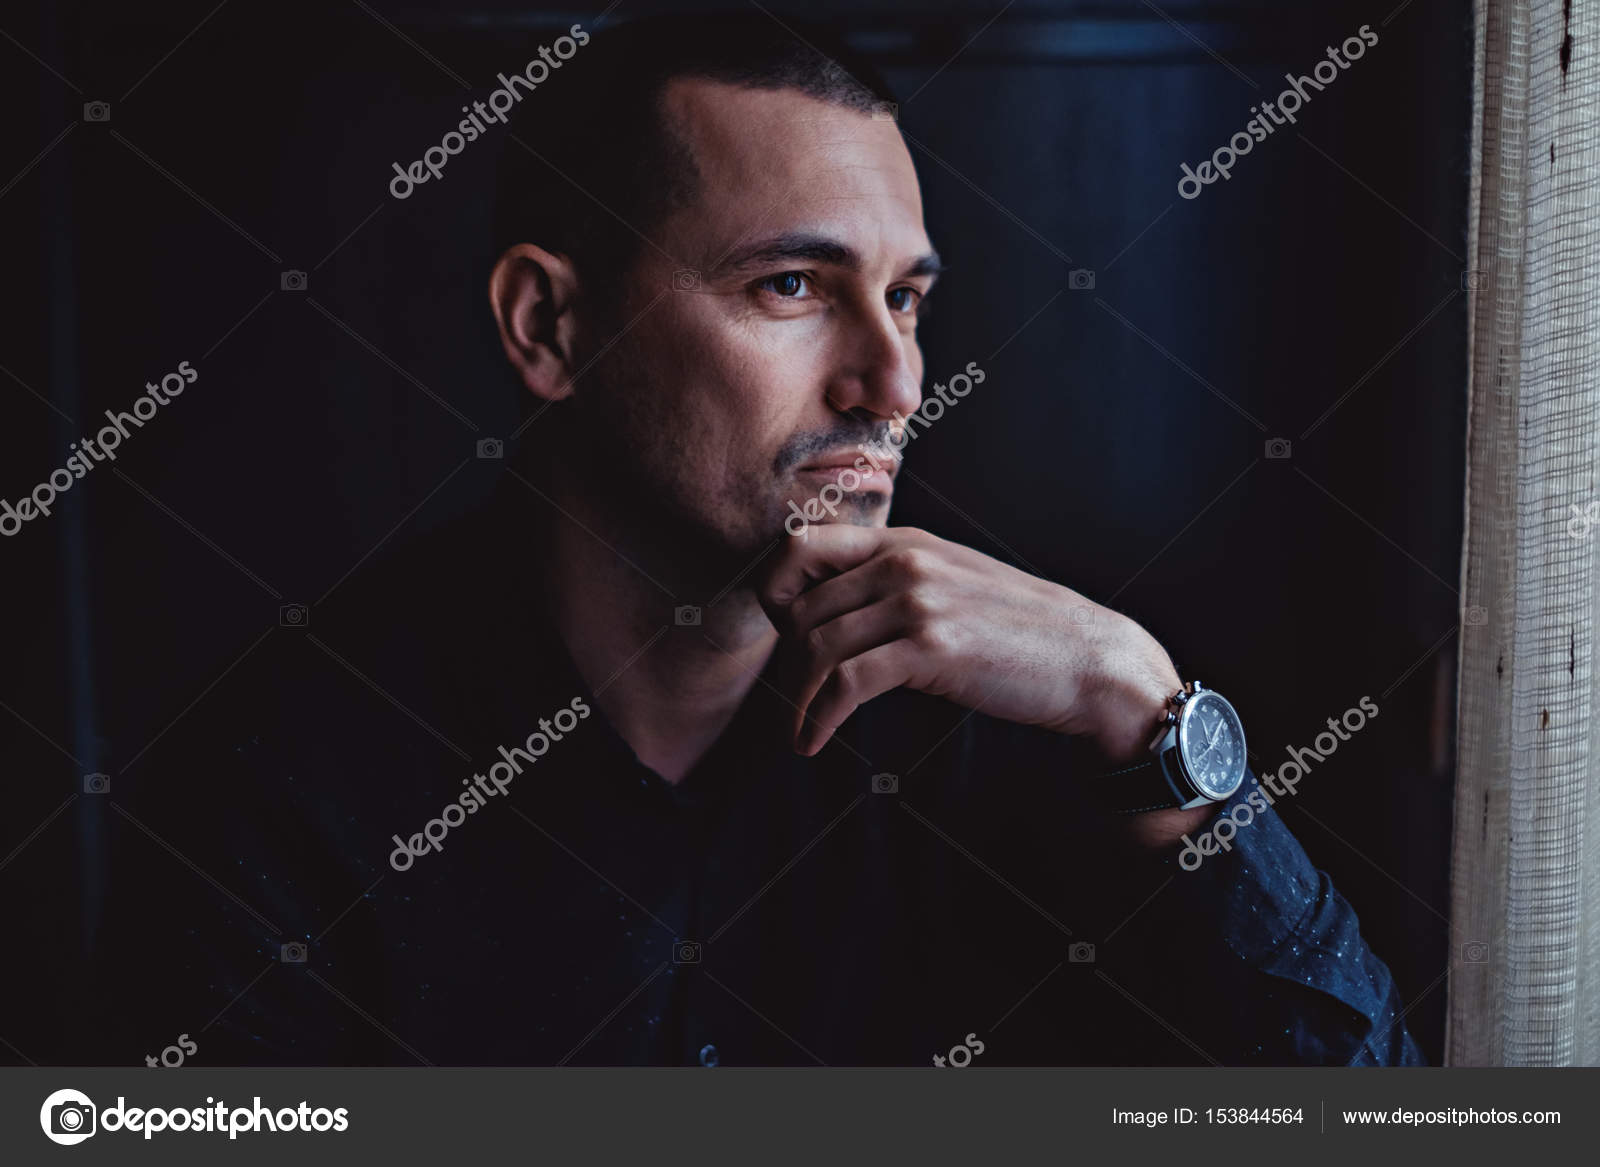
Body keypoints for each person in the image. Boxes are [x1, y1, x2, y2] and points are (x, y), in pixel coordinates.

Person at [88, 13, 1421, 1066]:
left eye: (906, 298)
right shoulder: (286, 788)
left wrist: (1146, 708)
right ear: (551, 330)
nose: (895, 385)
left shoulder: (1030, 737)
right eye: (792, 286)